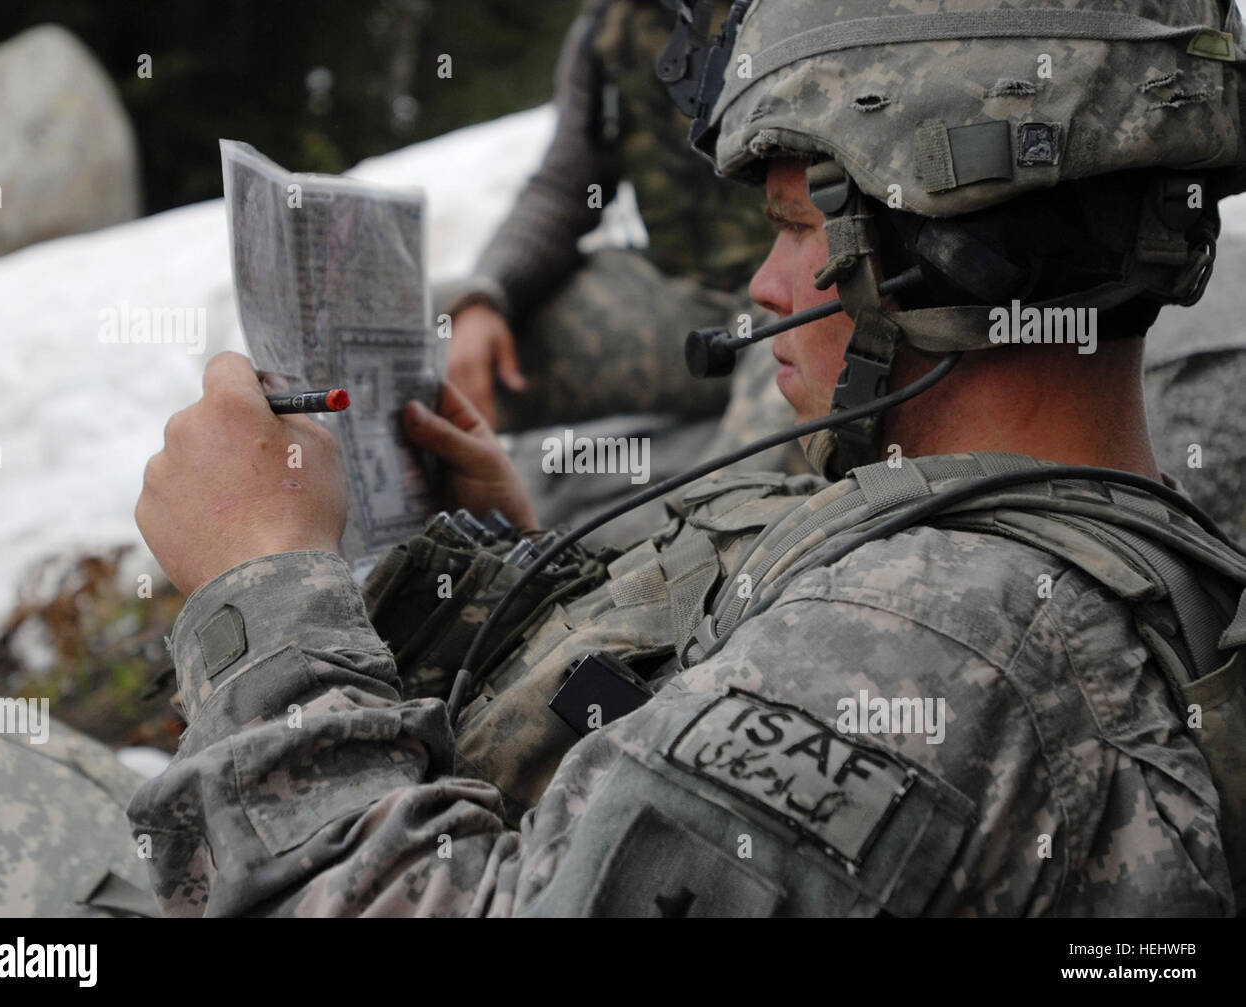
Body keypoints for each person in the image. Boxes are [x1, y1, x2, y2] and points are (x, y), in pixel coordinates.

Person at [130, 0, 1246, 916]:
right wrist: (508, 561)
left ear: (939, 245)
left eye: (798, 227)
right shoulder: (1045, 542)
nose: (762, 286)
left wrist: (259, 588)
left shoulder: (927, 646)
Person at [440, 0, 800, 474]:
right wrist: (488, 295)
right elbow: (565, 188)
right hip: (683, 302)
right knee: (440, 351)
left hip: (795, 295)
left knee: (745, 482)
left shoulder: (798, 11)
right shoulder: (612, 24)